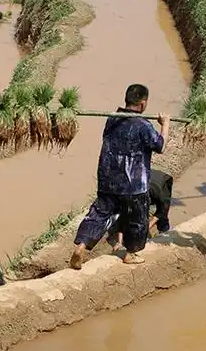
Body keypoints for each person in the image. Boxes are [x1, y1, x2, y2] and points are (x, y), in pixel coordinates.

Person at [69, 84, 170, 269]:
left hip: (108, 179)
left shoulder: (112, 119)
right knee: (136, 220)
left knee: (98, 214)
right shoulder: (143, 125)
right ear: (142, 104)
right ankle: (130, 254)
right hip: (134, 185)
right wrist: (165, 124)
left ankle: (81, 246)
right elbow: (161, 146)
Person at [107, 168, 174, 251]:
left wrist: (145, 229)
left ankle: (164, 229)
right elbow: (123, 217)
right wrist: (119, 242)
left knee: (163, 210)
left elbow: (162, 210)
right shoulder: (129, 195)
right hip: (143, 183)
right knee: (133, 214)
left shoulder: (160, 193)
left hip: (162, 181)